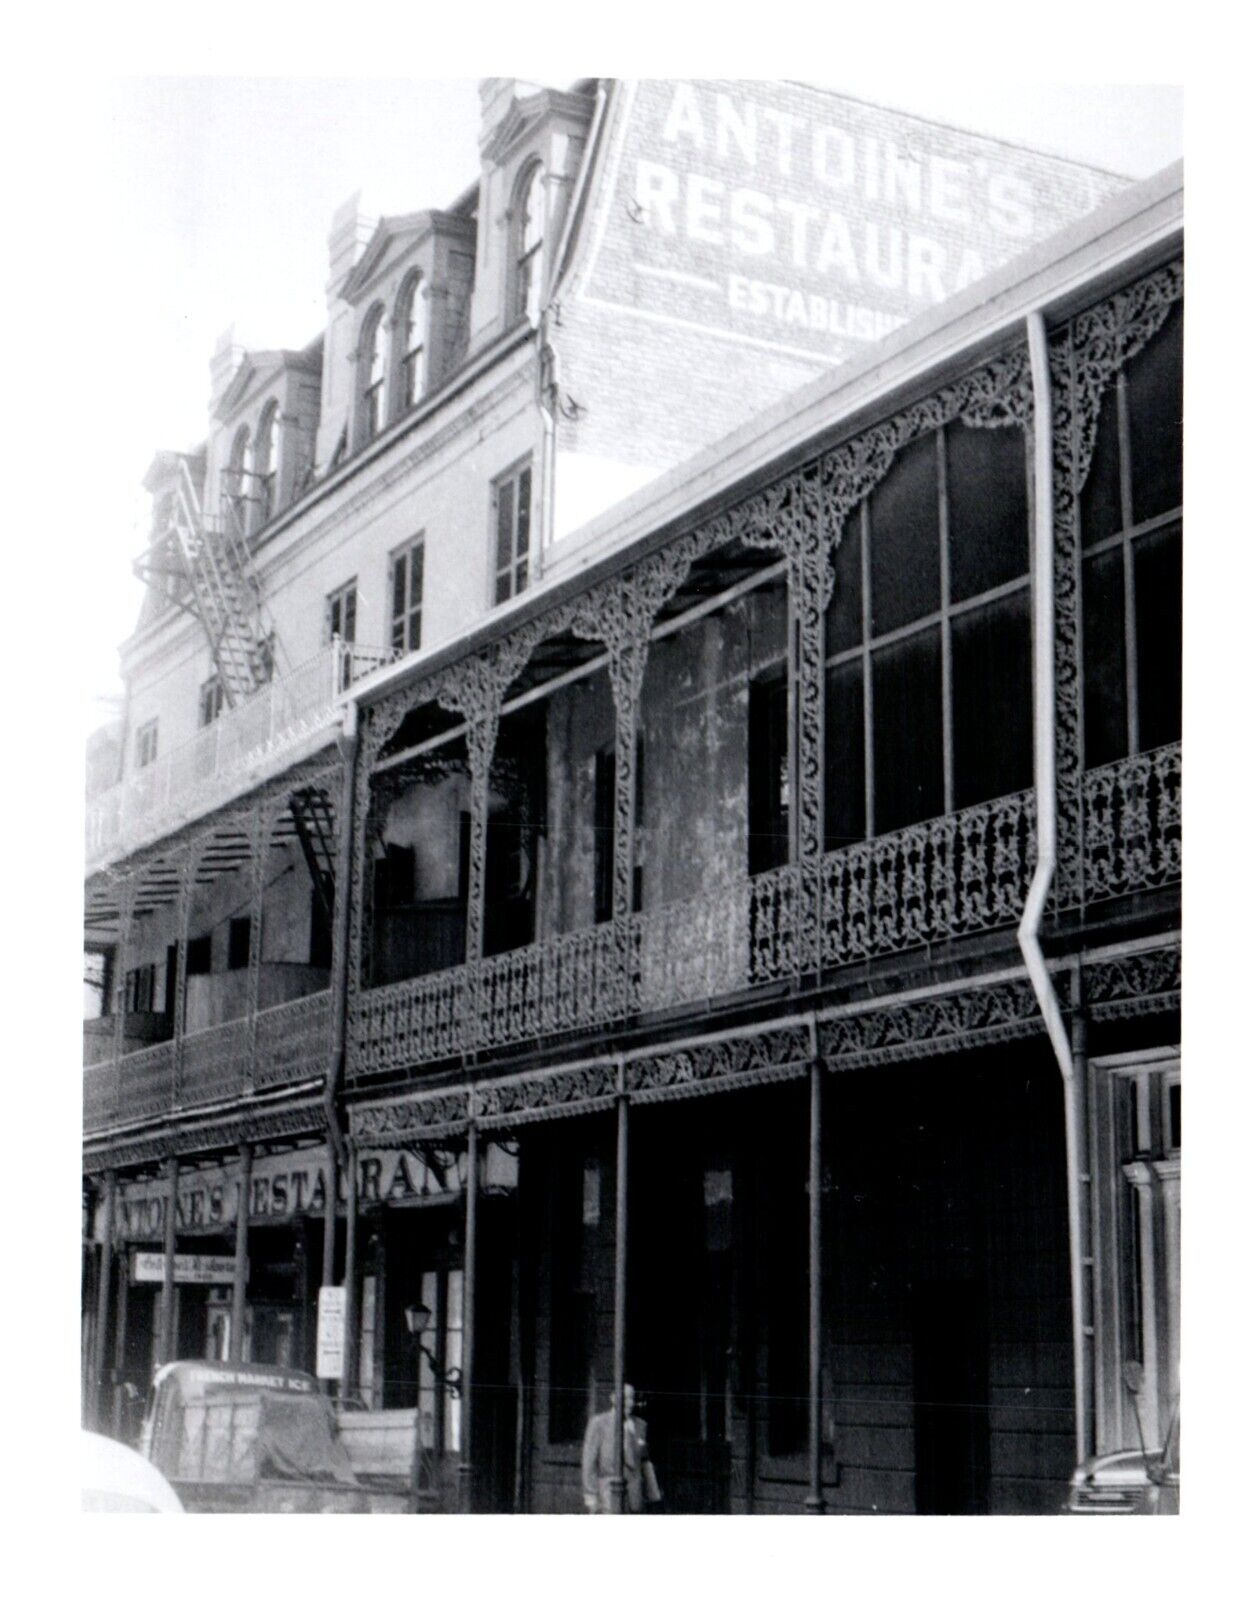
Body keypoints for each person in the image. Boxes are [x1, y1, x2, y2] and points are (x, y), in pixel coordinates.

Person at [581, 1382, 662, 1513]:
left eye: (632, 1398)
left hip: (635, 1498)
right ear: (613, 1398)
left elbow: (645, 1461)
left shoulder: (640, 1425)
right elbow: (589, 1462)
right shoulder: (598, 1423)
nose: (630, 1403)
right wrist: (591, 1497)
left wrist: (654, 1495)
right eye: (625, 1398)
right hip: (607, 1496)